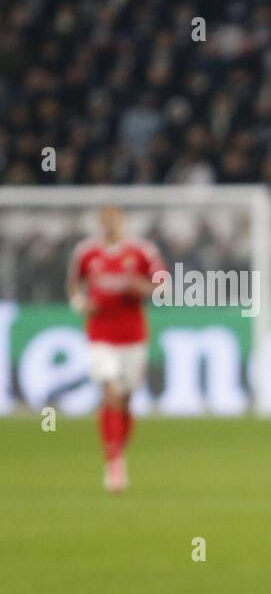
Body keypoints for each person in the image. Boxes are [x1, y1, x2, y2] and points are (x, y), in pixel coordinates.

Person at [67, 206, 164, 492]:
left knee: (126, 398)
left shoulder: (142, 251)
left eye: (114, 219)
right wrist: (80, 304)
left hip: (133, 336)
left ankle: (118, 448)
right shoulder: (86, 253)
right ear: (99, 223)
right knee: (109, 392)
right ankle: (114, 463)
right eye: (104, 220)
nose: (109, 224)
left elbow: (163, 286)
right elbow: (74, 285)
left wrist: (142, 288)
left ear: (122, 221)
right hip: (100, 336)